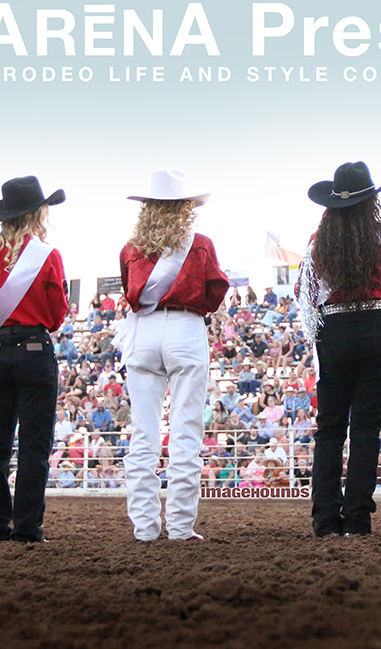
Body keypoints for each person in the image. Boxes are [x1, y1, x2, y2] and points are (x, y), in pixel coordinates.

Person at [297, 161, 381, 536]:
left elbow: (308, 297)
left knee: (330, 428)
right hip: (378, 327)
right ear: (372, 200)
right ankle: (359, 519)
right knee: (366, 425)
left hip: (334, 329)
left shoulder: (319, 242)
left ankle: (325, 520)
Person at [116, 169, 229, 541]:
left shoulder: (131, 248)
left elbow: (131, 293)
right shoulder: (200, 243)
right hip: (185, 329)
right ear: (186, 207)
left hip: (144, 330)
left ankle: (145, 527)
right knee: (185, 432)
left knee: (143, 433)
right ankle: (180, 526)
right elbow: (215, 293)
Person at [0, 176, 68, 543]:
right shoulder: (47, 255)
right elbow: (57, 316)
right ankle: (27, 527)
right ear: (36, 214)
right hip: (32, 350)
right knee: (33, 444)